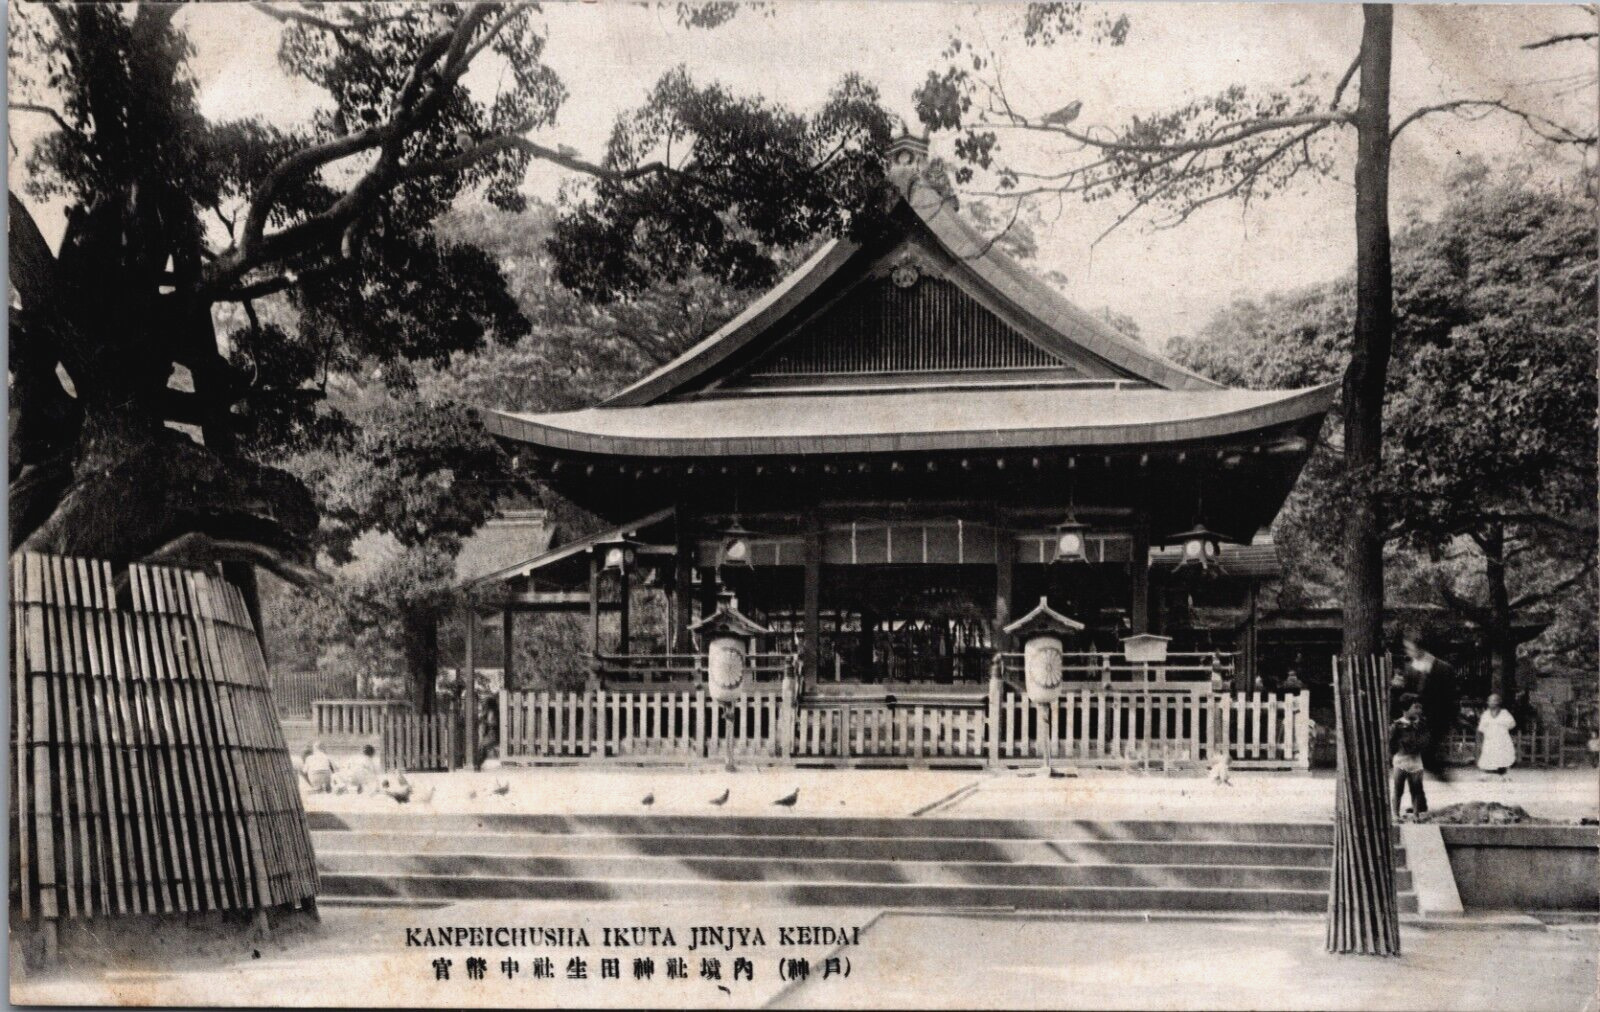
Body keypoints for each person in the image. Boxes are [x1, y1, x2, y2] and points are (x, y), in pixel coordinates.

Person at [1401, 631, 1458, 781]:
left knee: (1428, 749)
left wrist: (1451, 718)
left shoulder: (1443, 668)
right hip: (1416, 717)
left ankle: (1439, 774)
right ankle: (1437, 774)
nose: (1408, 652)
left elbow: (1450, 696)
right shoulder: (1409, 668)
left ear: (1420, 648)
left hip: (1436, 716)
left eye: (1410, 648)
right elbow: (1407, 692)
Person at [1389, 695, 1429, 819]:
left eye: (1418, 707)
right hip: (1401, 760)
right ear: (1406, 709)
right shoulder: (1397, 725)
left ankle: (1416, 814)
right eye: (1415, 707)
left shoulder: (1421, 724)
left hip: (1416, 760)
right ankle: (1395, 814)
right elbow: (1391, 743)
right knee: (1398, 789)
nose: (1418, 710)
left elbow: (1426, 740)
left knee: (1416, 789)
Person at [1476, 693, 1517, 775]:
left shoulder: (1504, 713)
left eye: (1494, 700)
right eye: (1490, 701)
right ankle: (1486, 774)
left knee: (1502, 756)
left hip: (1502, 739)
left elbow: (1512, 724)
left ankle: (1503, 774)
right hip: (1490, 739)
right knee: (1488, 755)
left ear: (1499, 702)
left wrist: (1501, 728)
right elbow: (1481, 728)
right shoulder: (1486, 714)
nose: (1492, 702)